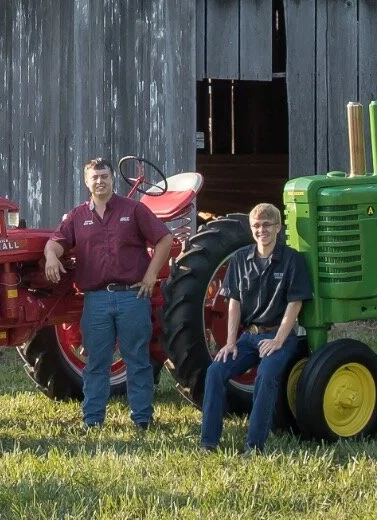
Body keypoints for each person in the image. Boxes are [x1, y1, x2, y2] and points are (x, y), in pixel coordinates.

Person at [42, 158, 174, 431]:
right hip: (96, 299)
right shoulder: (77, 216)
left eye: (104, 176)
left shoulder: (134, 210)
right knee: (96, 362)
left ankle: (142, 419)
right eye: (95, 177)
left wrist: (150, 276)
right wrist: (51, 258)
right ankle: (92, 420)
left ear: (112, 179)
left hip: (132, 297)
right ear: (86, 182)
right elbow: (56, 242)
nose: (100, 181)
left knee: (137, 359)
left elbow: (165, 239)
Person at [198, 202, 312, 453]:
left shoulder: (291, 260)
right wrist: (229, 342)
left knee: (267, 374)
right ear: (251, 229)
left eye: (267, 225)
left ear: (278, 227)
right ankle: (208, 442)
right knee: (216, 371)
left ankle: (254, 444)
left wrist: (279, 340)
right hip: (248, 337)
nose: (262, 230)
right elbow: (234, 303)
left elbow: (295, 304)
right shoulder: (240, 259)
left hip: (279, 336)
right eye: (257, 226)